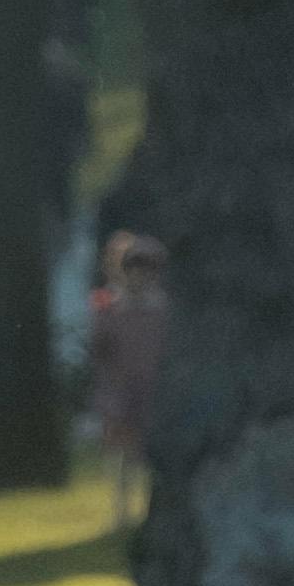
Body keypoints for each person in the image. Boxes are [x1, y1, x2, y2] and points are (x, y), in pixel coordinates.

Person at [85, 225, 171, 530]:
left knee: (142, 453)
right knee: (119, 453)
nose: (141, 275)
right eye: (135, 267)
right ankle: (121, 511)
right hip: (118, 389)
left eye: (148, 269)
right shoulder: (111, 308)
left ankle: (142, 509)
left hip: (149, 388)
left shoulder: (160, 310)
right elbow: (99, 349)